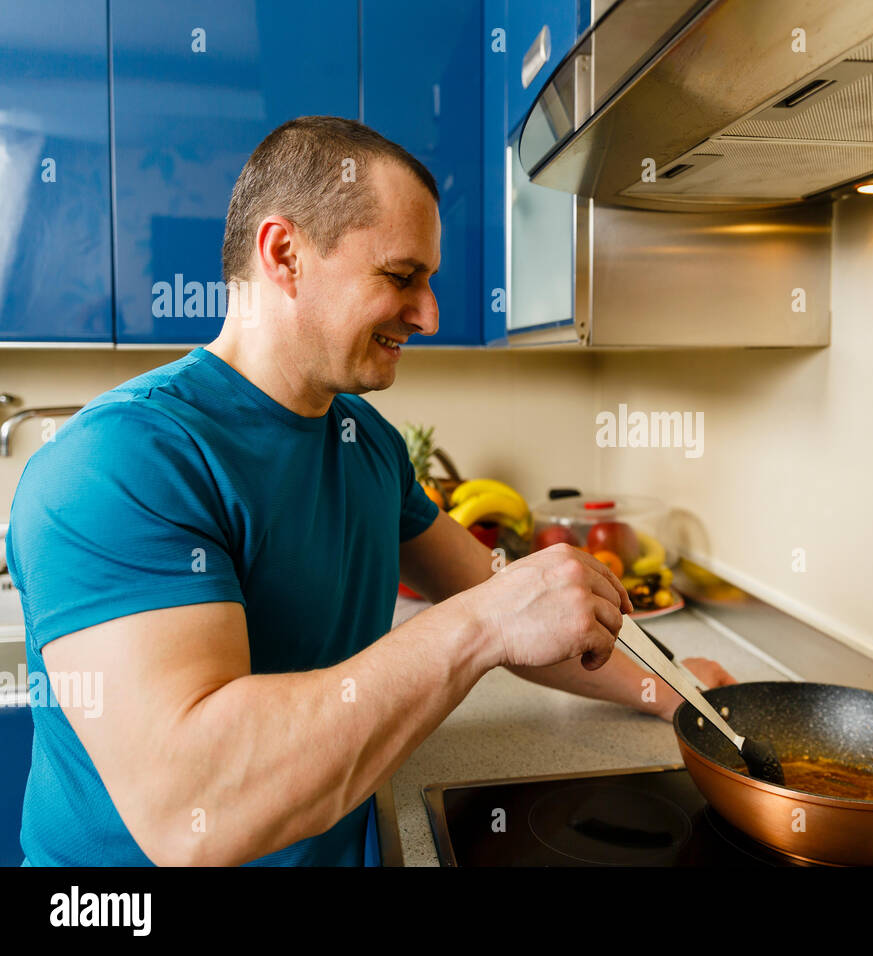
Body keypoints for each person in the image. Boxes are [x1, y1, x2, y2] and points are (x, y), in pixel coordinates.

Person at [5, 116, 733, 866]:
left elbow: (490, 595)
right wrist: (481, 625)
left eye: (431, 280)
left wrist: (670, 692)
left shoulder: (365, 442)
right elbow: (193, 810)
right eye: (401, 276)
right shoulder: (115, 463)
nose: (430, 314)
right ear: (284, 254)